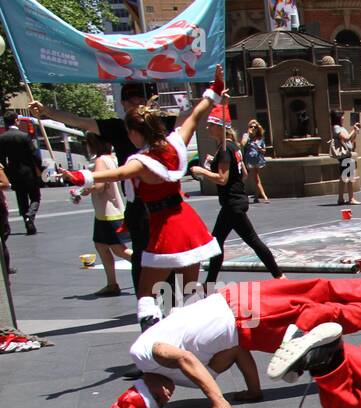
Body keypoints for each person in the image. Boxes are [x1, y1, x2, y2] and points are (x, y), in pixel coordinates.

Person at [109, 277, 361, 408]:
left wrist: (219, 400)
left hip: (238, 303)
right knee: (333, 322)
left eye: (156, 395)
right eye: (163, 403)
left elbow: (182, 357)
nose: (165, 395)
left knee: (323, 291)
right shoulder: (190, 382)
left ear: (142, 384)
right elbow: (235, 350)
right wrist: (253, 391)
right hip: (249, 331)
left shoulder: (142, 354)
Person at [60, 70, 227, 328]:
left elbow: (114, 174)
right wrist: (214, 91)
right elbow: (195, 115)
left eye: (129, 132)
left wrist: (78, 176)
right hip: (187, 221)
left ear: (136, 133)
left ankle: (156, 344)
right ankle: (192, 338)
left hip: (163, 227)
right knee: (187, 292)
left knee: (145, 295)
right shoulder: (175, 143)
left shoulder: (141, 161)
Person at [30, 83, 153, 292]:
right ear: (123, 104)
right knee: (140, 256)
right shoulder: (117, 131)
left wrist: (212, 96)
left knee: (159, 257)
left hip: (164, 206)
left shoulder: (160, 127)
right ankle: (146, 303)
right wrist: (47, 111)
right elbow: (79, 121)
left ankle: (165, 302)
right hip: (138, 205)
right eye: (133, 101)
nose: (139, 104)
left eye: (143, 101)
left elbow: (189, 121)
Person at [192, 120, 284, 285]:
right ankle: (209, 283)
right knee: (217, 242)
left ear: (220, 128)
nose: (207, 128)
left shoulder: (225, 150)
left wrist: (203, 171)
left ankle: (279, 276)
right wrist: (217, 163)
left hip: (232, 203)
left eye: (210, 125)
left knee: (250, 241)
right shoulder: (233, 147)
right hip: (234, 201)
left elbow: (222, 179)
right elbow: (244, 173)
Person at [75, 133, 133, 296]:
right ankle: (111, 283)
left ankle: (149, 266)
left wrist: (85, 189)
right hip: (107, 211)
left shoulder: (100, 161)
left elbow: (100, 186)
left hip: (108, 212)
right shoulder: (111, 158)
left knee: (119, 250)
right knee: (101, 246)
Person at [0, 111, 42, 235]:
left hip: (13, 173)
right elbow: (34, 155)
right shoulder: (24, 136)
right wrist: (42, 169)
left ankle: (27, 223)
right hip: (28, 172)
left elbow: (1, 159)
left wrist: (6, 173)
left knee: (21, 199)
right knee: (35, 197)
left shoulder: (2, 138)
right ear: (16, 121)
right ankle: (30, 216)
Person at [330, 110, 361, 205]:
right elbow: (346, 138)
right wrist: (353, 129)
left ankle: (341, 198)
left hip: (347, 154)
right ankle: (351, 198)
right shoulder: (336, 128)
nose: (343, 118)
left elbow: (350, 140)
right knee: (348, 178)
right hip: (344, 155)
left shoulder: (340, 127)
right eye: (342, 116)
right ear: (338, 117)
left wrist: (355, 131)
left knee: (345, 177)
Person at [240, 120, 270, 203]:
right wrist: (248, 134)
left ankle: (256, 197)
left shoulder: (260, 138)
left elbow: (264, 151)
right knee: (255, 178)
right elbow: (242, 144)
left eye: (255, 127)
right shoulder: (246, 135)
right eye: (251, 126)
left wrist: (259, 148)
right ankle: (264, 197)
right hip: (249, 161)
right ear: (248, 127)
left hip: (257, 160)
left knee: (255, 178)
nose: (253, 128)